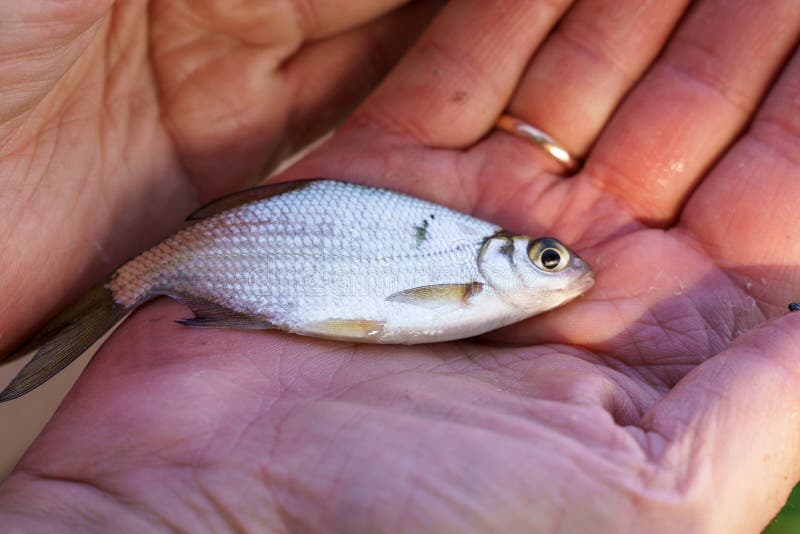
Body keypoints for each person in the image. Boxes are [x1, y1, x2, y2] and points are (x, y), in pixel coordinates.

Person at [0, 0, 799, 531]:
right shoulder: (473, 281)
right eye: (548, 259)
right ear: (502, 259)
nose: (565, 270)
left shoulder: (475, 277)